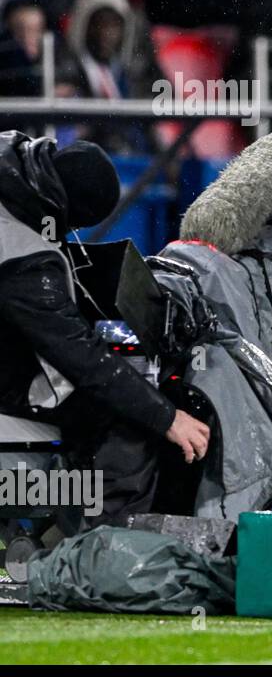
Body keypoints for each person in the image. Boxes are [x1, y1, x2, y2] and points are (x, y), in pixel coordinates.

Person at [0, 133, 210, 525]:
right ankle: (108, 556)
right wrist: (168, 418)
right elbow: (80, 356)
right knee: (123, 416)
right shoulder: (21, 256)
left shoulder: (12, 177)